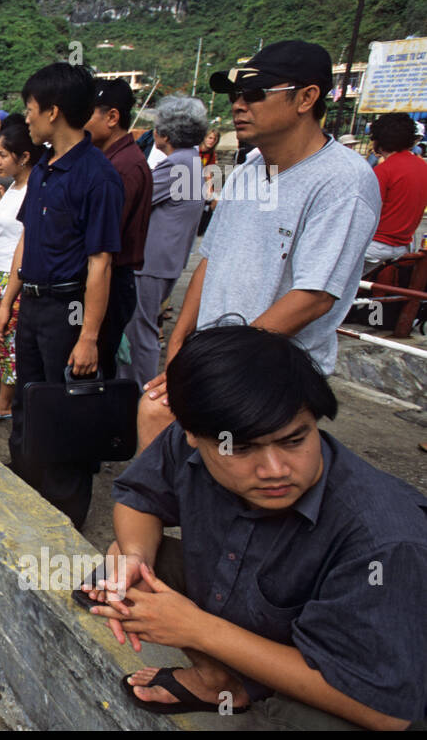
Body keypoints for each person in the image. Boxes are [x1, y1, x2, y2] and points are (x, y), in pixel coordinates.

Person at [85, 324, 426, 730]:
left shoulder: (384, 541)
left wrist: (199, 631)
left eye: (295, 440)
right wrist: (136, 557)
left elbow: (388, 712)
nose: (275, 471)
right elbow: (137, 498)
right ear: (191, 434)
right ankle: (217, 680)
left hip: (349, 673)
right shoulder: (193, 436)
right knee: (120, 567)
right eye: (242, 449)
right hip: (263, 620)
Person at [140, 40, 381, 451]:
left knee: (239, 478)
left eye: (254, 94)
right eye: (235, 95)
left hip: (273, 371)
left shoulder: (343, 182)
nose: (238, 105)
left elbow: (314, 296)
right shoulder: (251, 168)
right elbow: (210, 260)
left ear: (307, 97)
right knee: (158, 422)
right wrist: (180, 345)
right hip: (218, 358)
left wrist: (218, 363)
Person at [0, 62, 123, 529]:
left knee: (68, 411)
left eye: (30, 110)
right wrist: (9, 301)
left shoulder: (97, 176)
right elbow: (27, 237)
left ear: (54, 111)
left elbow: (100, 262)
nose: (26, 119)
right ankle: (25, 486)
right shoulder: (44, 167)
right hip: (34, 304)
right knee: (29, 400)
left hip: (69, 310)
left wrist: (89, 335)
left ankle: (63, 516)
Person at [119, 96, 208, 388]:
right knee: (145, 328)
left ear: (165, 134)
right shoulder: (192, 161)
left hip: (151, 262)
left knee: (139, 332)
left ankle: (139, 392)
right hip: (168, 260)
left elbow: (133, 198)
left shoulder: (175, 166)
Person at [84, 78, 154, 380]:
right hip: (110, 279)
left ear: (112, 117)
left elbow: (103, 241)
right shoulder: (112, 159)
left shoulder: (123, 167)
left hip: (111, 281)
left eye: (87, 114)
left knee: (94, 369)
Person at [0, 115, 42, 424]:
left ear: (25, 156)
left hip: (10, 275)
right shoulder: (15, 187)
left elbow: (26, 239)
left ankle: (6, 401)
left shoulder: (36, 190)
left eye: (3, 155)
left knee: (6, 337)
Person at [365, 112, 427, 270]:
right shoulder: (422, 167)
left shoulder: (383, 171)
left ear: (379, 140)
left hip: (375, 247)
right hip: (404, 246)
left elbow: (365, 212)